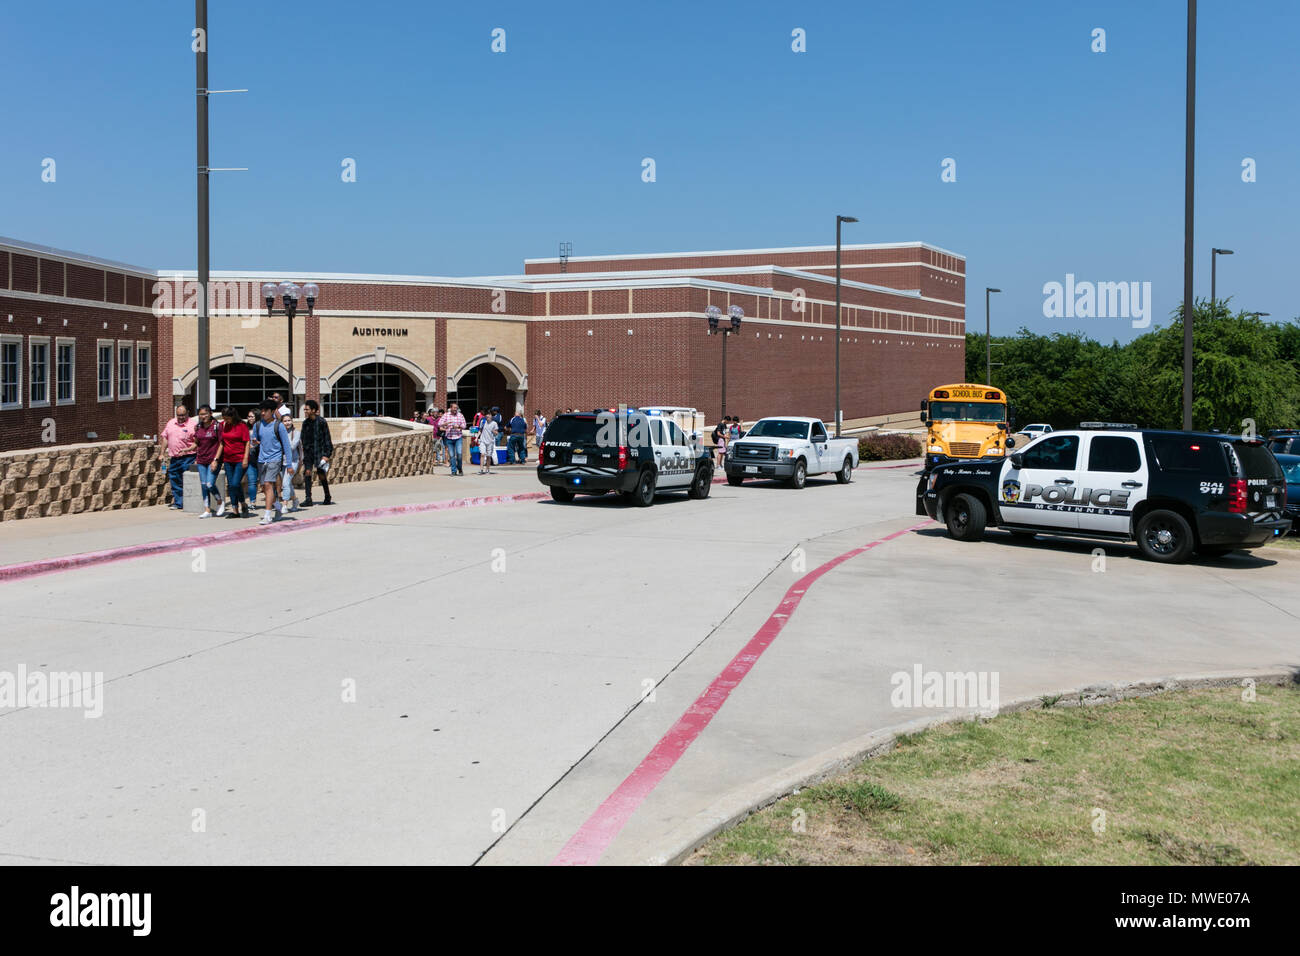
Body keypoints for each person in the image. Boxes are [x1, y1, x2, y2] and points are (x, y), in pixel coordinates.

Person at [251, 399, 293, 526]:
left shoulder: (278, 425)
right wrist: (254, 441)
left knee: (269, 484)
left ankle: (267, 515)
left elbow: (286, 446)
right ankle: (277, 506)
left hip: (275, 460)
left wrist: (289, 465)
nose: (263, 413)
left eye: (265, 411)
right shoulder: (257, 425)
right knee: (264, 487)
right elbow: (255, 440)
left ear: (273, 411)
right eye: (261, 411)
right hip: (261, 460)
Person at [160, 402, 198, 510]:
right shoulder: (171, 423)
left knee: (187, 480)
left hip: (189, 457)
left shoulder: (193, 425)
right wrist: (161, 453)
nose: (180, 418)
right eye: (178, 415)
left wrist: (194, 455)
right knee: (174, 479)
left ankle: (190, 502)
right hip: (174, 458)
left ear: (188, 414)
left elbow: (197, 443)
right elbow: (165, 438)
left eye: (183, 415)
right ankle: (179, 503)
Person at [192, 404, 225, 518]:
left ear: (210, 413)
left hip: (213, 460)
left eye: (205, 414)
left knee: (210, 484)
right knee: (203, 485)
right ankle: (207, 510)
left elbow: (221, 444)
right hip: (201, 459)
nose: (203, 416)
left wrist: (216, 460)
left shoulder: (217, 426)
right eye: (201, 414)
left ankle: (220, 501)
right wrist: (187, 449)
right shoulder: (198, 427)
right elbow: (196, 443)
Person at [218, 406, 251, 519]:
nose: (225, 420)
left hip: (240, 459)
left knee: (235, 483)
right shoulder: (222, 425)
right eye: (224, 418)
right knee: (231, 485)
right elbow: (222, 442)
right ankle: (235, 510)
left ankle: (243, 504)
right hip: (228, 459)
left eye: (227, 418)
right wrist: (217, 459)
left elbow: (247, 442)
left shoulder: (242, 426)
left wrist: (245, 458)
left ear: (233, 416)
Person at [300, 399, 334, 506]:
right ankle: (308, 498)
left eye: (307, 409)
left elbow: (327, 439)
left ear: (314, 410)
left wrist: (326, 455)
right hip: (308, 453)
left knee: (321, 475)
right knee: (307, 473)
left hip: (320, 452)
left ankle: (327, 496)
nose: (305, 411)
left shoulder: (322, 422)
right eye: (305, 409)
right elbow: (302, 439)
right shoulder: (305, 423)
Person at [280, 411, 303, 513]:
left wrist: (282, 442)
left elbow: (292, 447)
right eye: (285, 421)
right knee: (288, 484)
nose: (287, 423)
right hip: (282, 462)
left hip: (293, 462)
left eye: (289, 420)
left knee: (285, 483)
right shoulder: (280, 433)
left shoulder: (296, 433)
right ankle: (295, 500)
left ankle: (284, 505)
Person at [438, 403, 467, 476]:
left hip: (458, 437)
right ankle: (453, 471)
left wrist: (458, 426)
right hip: (449, 438)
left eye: (456, 408)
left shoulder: (460, 415)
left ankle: (460, 469)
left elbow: (464, 425)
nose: (455, 409)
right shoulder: (446, 415)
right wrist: (446, 423)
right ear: (450, 408)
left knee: (459, 454)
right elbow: (439, 424)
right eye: (454, 408)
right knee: (451, 455)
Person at [244, 408, 261, 507]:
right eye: (248, 416)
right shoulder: (245, 428)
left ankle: (273, 501)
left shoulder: (261, 427)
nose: (249, 418)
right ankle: (252, 502)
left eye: (251, 416)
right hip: (250, 458)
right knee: (251, 481)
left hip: (261, 457)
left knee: (265, 482)